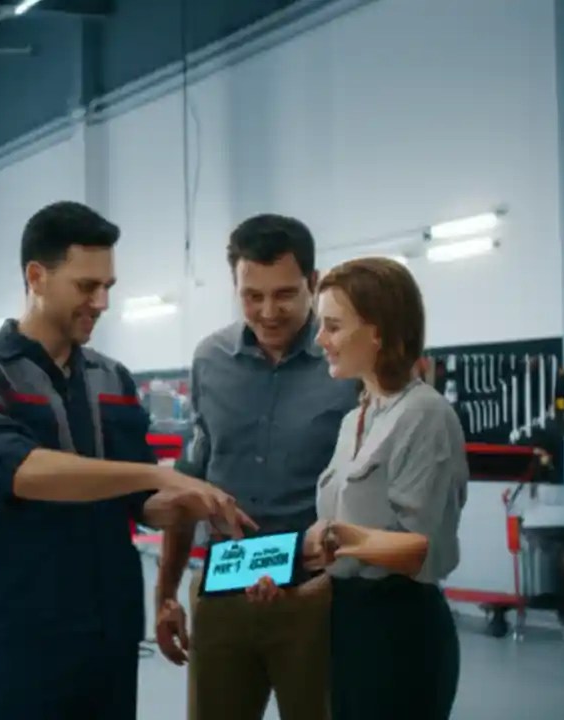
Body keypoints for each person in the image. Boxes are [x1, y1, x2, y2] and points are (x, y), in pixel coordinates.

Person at [0, 200, 257, 720]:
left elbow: (142, 504)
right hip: (20, 628)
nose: (102, 301)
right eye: (87, 286)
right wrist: (157, 472)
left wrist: (195, 502)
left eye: (108, 286)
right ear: (37, 277)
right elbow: (19, 472)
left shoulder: (112, 378)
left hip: (109, 627)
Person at [151, 214, 360, 720]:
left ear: (314, 283)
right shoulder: (210, 360)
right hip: (224, 586)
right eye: (252, 295)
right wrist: (166, 594)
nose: (268, 312)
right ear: (235, 287)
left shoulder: (347, 366)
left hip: (317, 595)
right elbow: (189, 482)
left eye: (285, 294)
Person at [249, 256, 468, 720]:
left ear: (378, 333)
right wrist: (295, 584)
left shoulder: (425, 416)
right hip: (345, 625)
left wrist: (338, 539)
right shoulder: (355, 419)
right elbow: (346, 554)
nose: (320, 340)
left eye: (332, 326)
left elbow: (419, 552)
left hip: (400, 635)